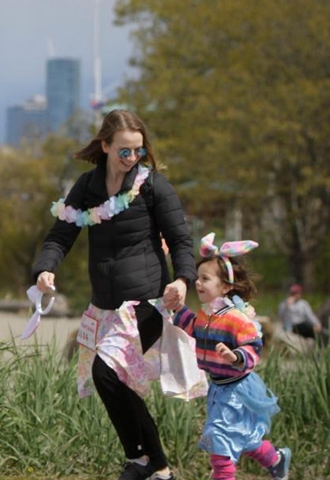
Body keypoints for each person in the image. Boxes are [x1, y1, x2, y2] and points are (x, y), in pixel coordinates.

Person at [33, 110, 196, 480]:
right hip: (105, 303)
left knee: (108, 375)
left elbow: (182, 240)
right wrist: (46, 268)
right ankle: (156, 468)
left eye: (138, 151)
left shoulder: (153, 185)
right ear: (105, 146)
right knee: (118, 384)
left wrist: (183, 280)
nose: (131, 159)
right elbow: (60, 235)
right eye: (124, 151)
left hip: (147, 300)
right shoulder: (88, 187)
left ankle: (141, 462)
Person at [172, 233, 290, 480]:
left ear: (225, 287)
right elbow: (193, 327)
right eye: (198, 278)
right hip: (218, 388)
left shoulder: (236, 318)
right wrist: (175, 308)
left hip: (237, 389)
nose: (198, 283)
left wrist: (235, 356)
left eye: (205, 279)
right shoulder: (207, 314)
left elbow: (253, 346)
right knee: (243, 438)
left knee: (221, 440)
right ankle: (276, 459)